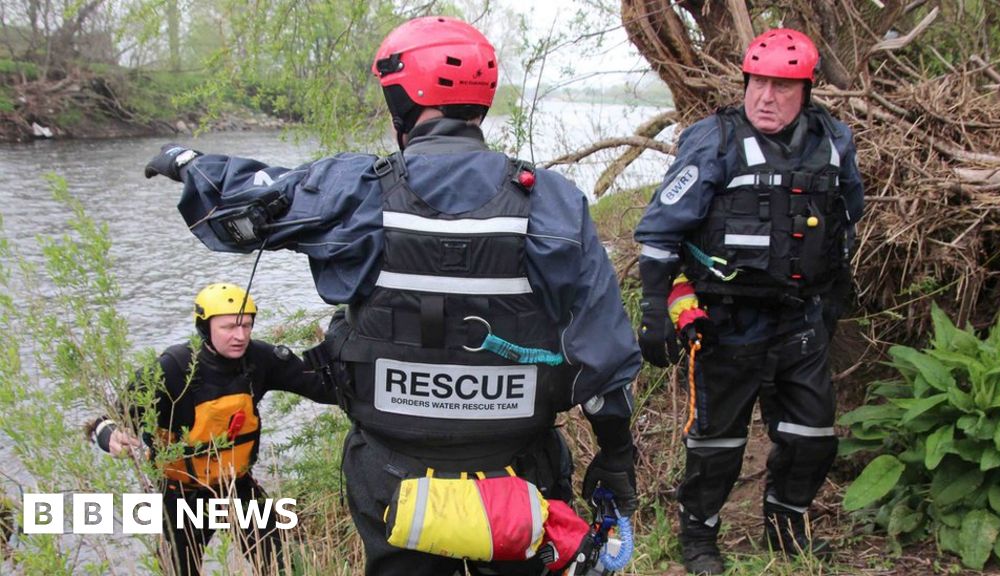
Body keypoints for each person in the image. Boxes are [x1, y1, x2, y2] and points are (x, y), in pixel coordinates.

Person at [141, 16, 641, 576]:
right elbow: (605, 355)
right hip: (519, 480)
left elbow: (246, 205)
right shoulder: (552, 201)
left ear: (401, 101)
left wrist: (190, 166)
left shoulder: (355, 190)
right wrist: (616, 458)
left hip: (396, 483)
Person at [633, 28, 864, 575]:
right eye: (758, 82)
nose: (766, 97)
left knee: (811, 437)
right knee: (716, 446)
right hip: (725, 322)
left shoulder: (834, 141)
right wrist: (653, 311)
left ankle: (787, 531)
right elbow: (659, 232)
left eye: (782, 86)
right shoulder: (712, 140)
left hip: (801, 320)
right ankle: (699, 539)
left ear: (805, 89)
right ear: (744, 82)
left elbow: (847, 220)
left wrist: (831, 298)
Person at [88, 283, 336, 576]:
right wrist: (111, 437)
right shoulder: (172, 368)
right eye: (229, 327)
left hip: (237, 488)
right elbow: (108, 420)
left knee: (279, 568)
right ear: (204, 327)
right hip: (182, 495)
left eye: (246, 325)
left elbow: (323, 388)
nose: (240, 335)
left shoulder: (259, 359)